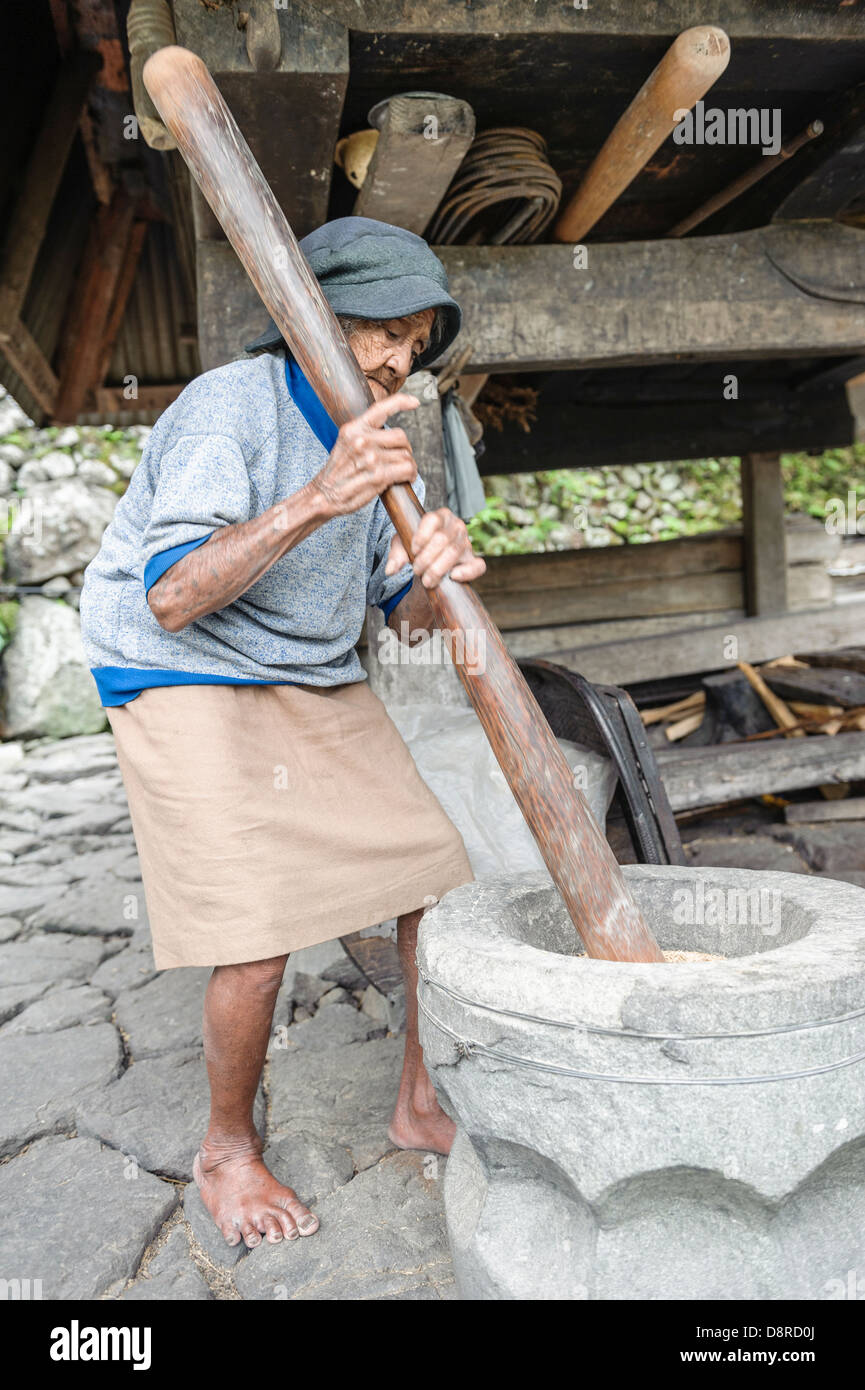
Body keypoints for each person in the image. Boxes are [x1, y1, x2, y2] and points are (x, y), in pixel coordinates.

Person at [79, 216, 486, 1251]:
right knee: (256, 942)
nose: (397, 358)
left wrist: (439, 569)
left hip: (308, 667)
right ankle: (226, 1148)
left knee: (434, 879)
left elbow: (399, 610)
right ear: (311, 320)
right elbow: (174, 596)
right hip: (177, 664)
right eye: (376, 330)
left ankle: (419, 1102)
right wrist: (318, 495)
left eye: (414, 338)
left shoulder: (390, 439)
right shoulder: (232, 406)